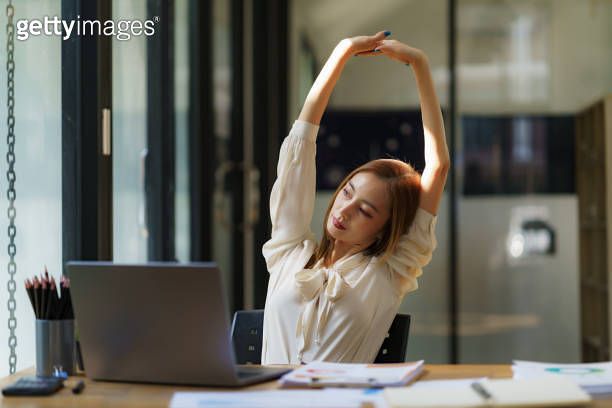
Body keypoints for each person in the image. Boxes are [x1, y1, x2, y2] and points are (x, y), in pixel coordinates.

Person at [261, 31, 450, 364]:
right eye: (347, 192)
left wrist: (419, 65)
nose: (344, 210)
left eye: (364, 210)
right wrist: (342, 52)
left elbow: (438, 166)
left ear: (383, 229)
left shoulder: (390, 271)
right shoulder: (288, 250)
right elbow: (299, 147)